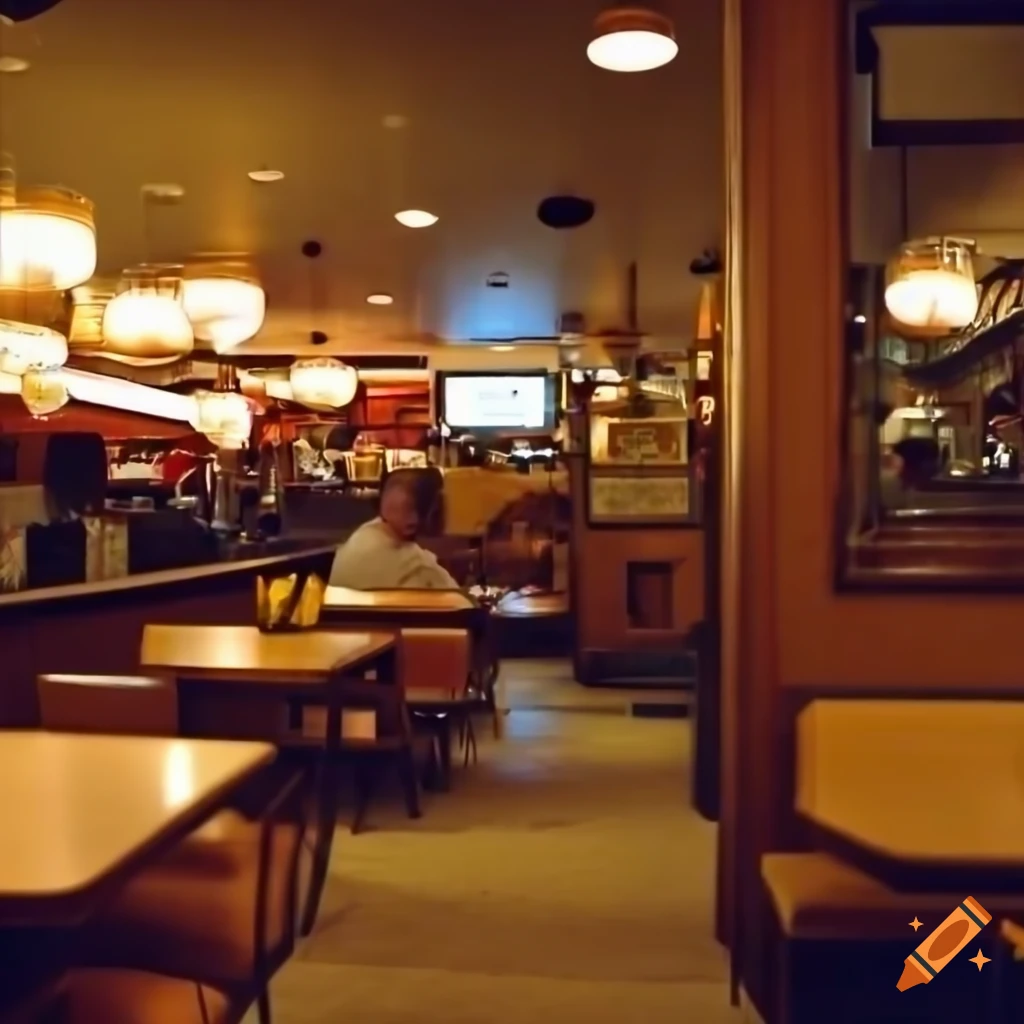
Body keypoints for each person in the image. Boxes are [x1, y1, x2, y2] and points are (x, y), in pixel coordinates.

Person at [329, 472, 459, 589]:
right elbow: (464, 609)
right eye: (438, 512)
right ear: (411, 525)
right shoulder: (420, 570)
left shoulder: (360, 537)